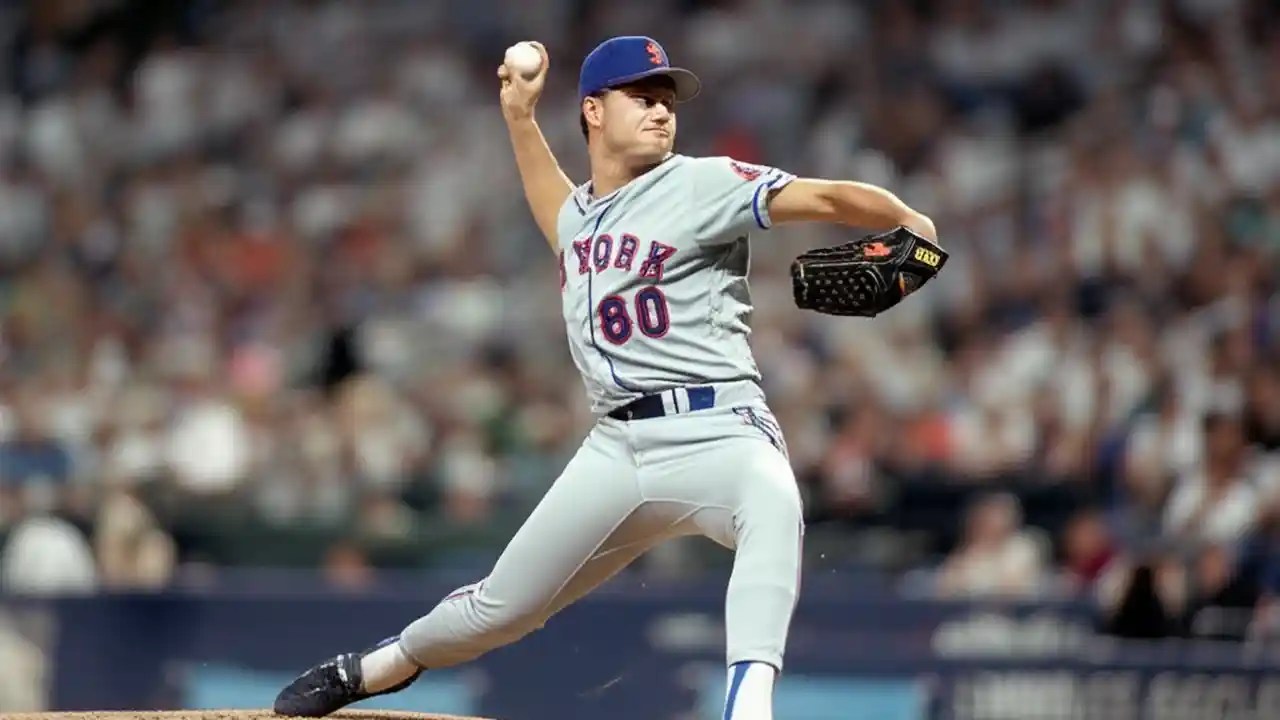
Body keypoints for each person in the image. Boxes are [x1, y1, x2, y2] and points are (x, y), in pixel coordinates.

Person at [273, 35, 937, 720]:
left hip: (719, 428)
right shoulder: (577, 219)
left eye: (667, 101)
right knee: (502, 609)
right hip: (615, 449)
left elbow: (823, 195)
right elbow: (551, 199)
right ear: (593, 110)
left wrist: (904, 217)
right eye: (642, 97)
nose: (661, 112)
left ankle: (749, 708)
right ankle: (374, 668)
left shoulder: (701, 183)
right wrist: (519, 117)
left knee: (772, 505)